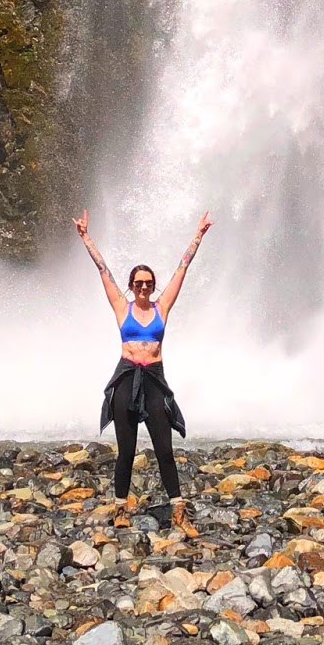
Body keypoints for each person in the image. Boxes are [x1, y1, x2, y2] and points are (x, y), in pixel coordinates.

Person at [74, 207, 212, 536]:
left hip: (154, 379)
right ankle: (121, 509)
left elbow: (183, 267)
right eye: (138, 283)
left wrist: (199, 235)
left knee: (164, 449)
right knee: (127, 450)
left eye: (148, 283)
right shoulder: (123, 307)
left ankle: (178, 509)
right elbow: (103, 270)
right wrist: (85, 237)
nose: (144, 288)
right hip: (126, 378)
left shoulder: (162, 305)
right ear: (131, 285)